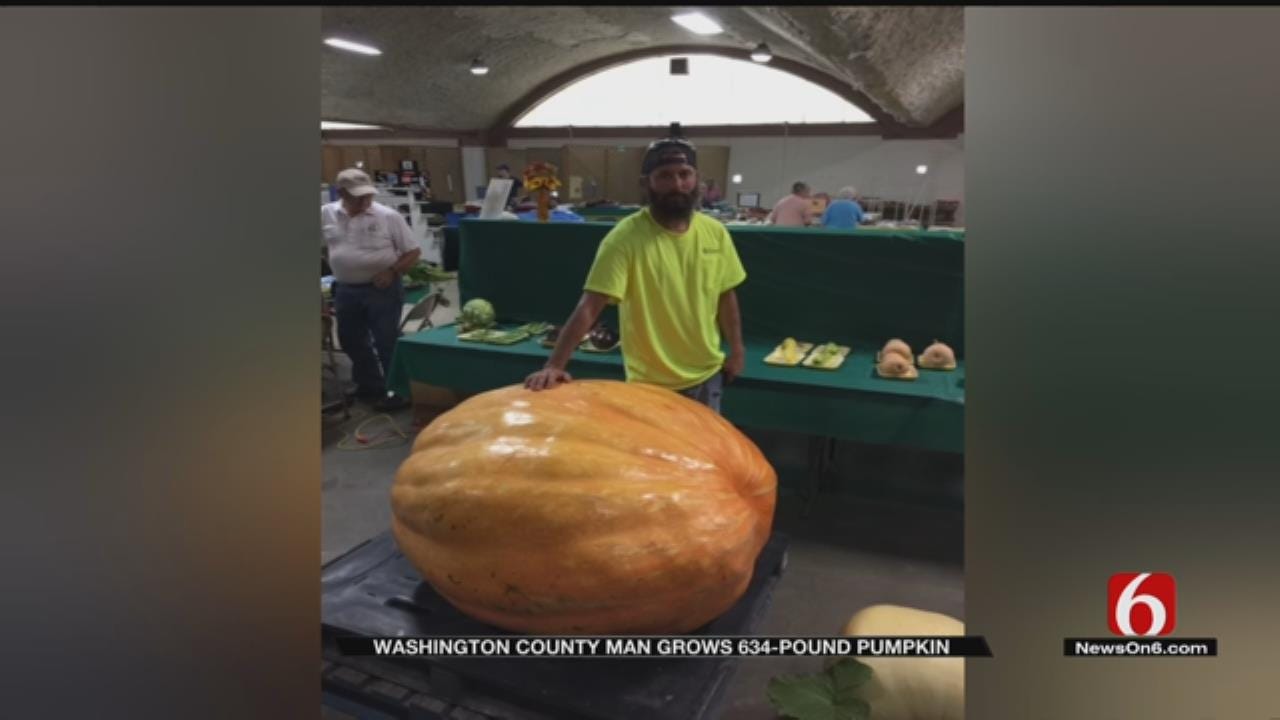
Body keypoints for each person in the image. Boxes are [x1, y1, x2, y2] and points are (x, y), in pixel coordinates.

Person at [523, 128, 747, 413]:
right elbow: (591, 306)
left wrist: (737, 350)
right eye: (665, 176)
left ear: (697, 179)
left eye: (684, 174)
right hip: (650, 385)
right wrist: (554, 365)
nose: (677, 184)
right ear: (647, 183)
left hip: (708, 375)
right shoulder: (624, 238)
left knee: (702, 457)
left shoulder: (715, 233)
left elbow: (726, 296)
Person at [321, 168, 421, 411]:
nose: (365, 200)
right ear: (341, 192)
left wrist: (392, 271)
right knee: (351, 340)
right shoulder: (326, 213)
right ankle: (370, 385)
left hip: (381, 290)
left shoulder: (388, 216)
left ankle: (398, 391)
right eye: (358, 196)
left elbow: (413, 252)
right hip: (345, 289)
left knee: (387, 341)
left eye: (368, 195)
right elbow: (325, 248)